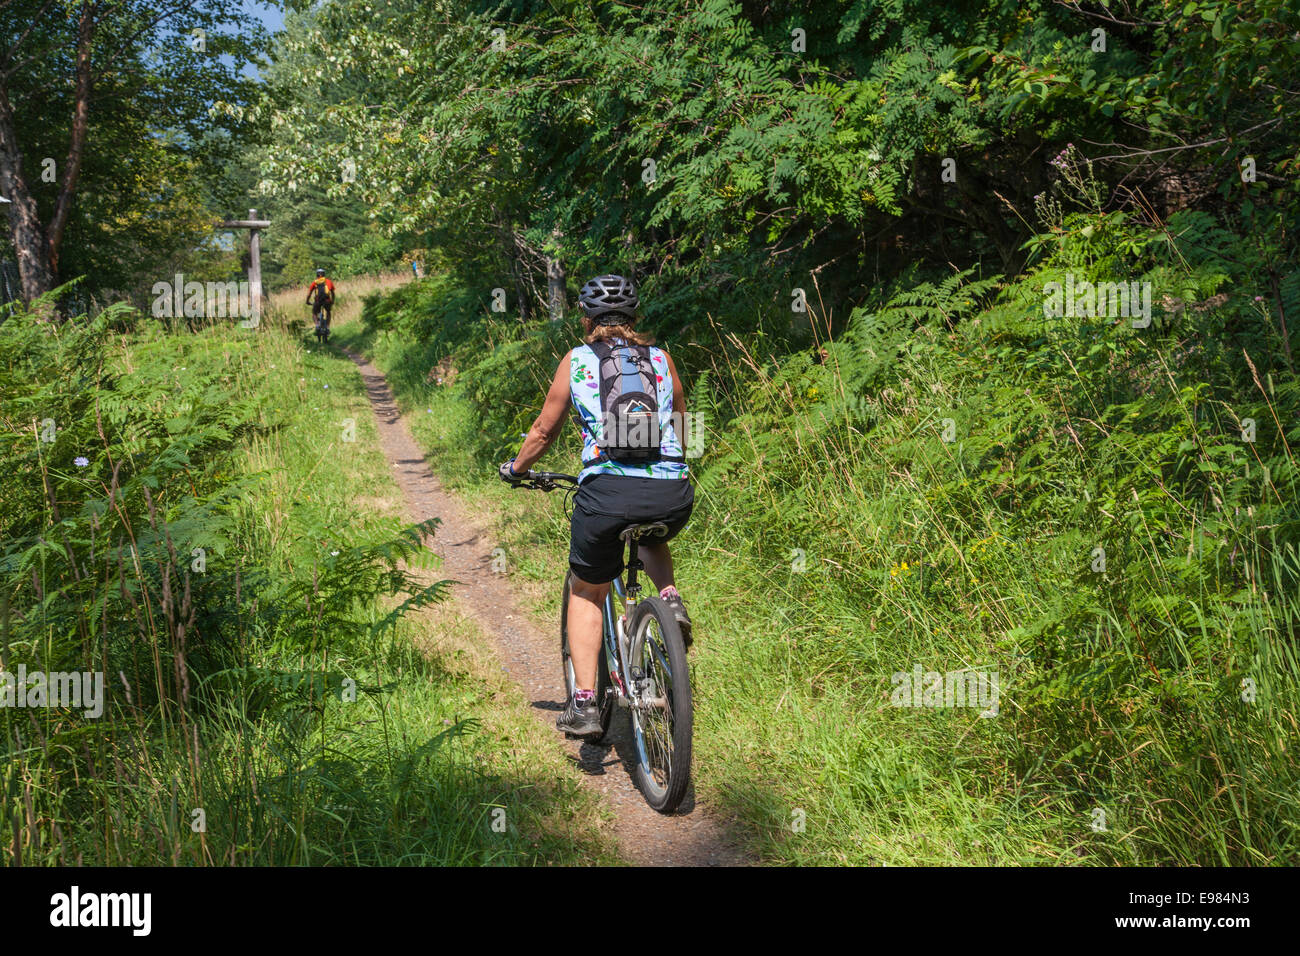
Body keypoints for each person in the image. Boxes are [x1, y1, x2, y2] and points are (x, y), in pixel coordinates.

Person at [498, 274, 695, 737]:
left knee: (588, 590)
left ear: (586, 321)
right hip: (672, 490)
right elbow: (685, 423)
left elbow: (544, 431)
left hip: (607, 493)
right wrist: (673, 467)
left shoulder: (579, 360)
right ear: (634, 319)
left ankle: (585, 704)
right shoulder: (661, 360)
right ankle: (670, 599)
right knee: (651, 529)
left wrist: (517, 469)